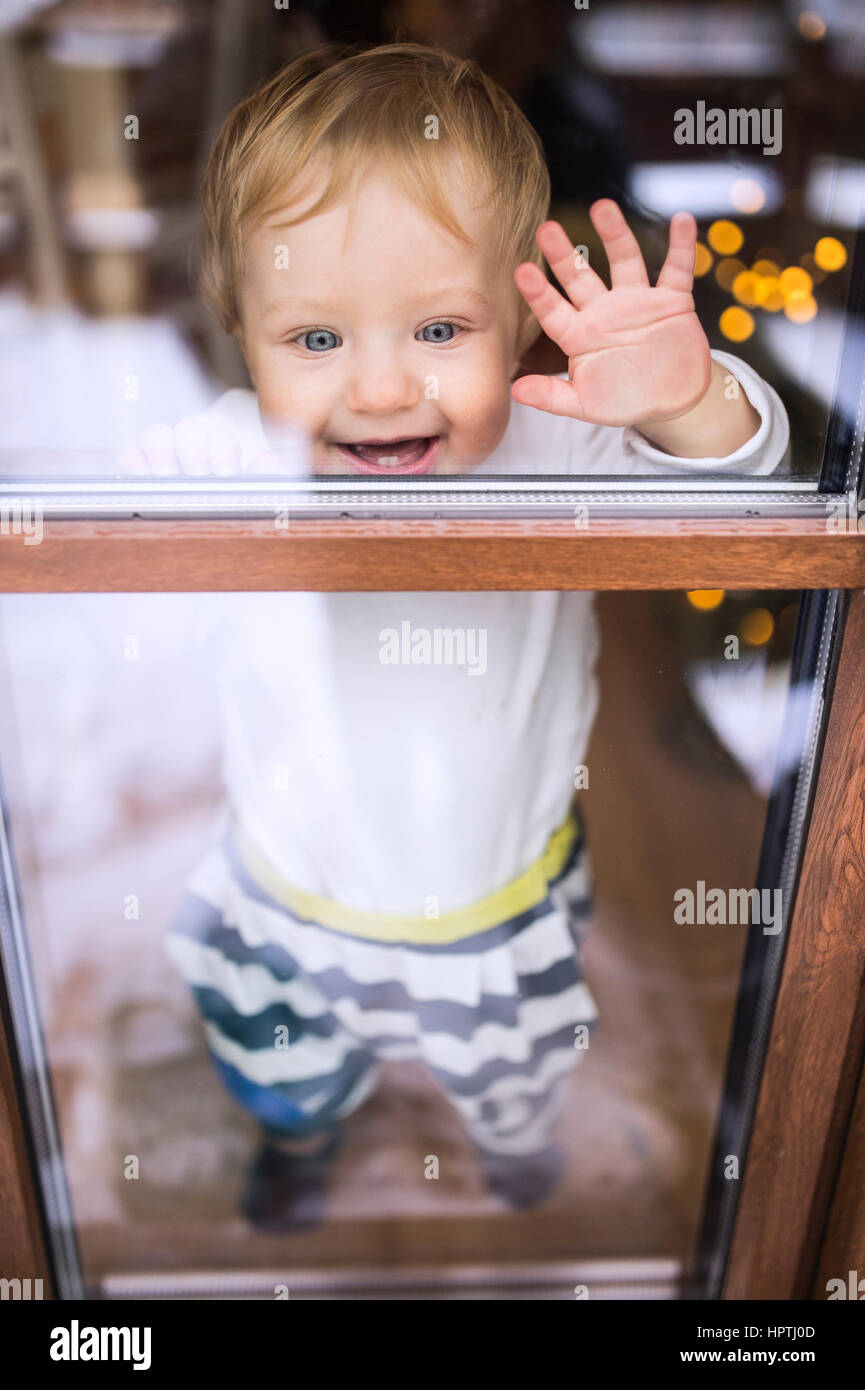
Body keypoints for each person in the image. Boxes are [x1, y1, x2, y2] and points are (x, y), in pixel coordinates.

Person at [145, 42, 790, 1233]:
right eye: (316, 340)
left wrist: (681, 399)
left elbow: (741, 494)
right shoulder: (229, 456)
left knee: (512, 1069)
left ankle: (512, 1139)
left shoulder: (558, 445)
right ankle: (301, 1132)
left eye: (440, 331)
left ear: (520, 321)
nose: (382, 389)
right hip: (286, 893)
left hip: (498, 903)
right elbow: (88, 552)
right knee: (279, 1064)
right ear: (240, 329)